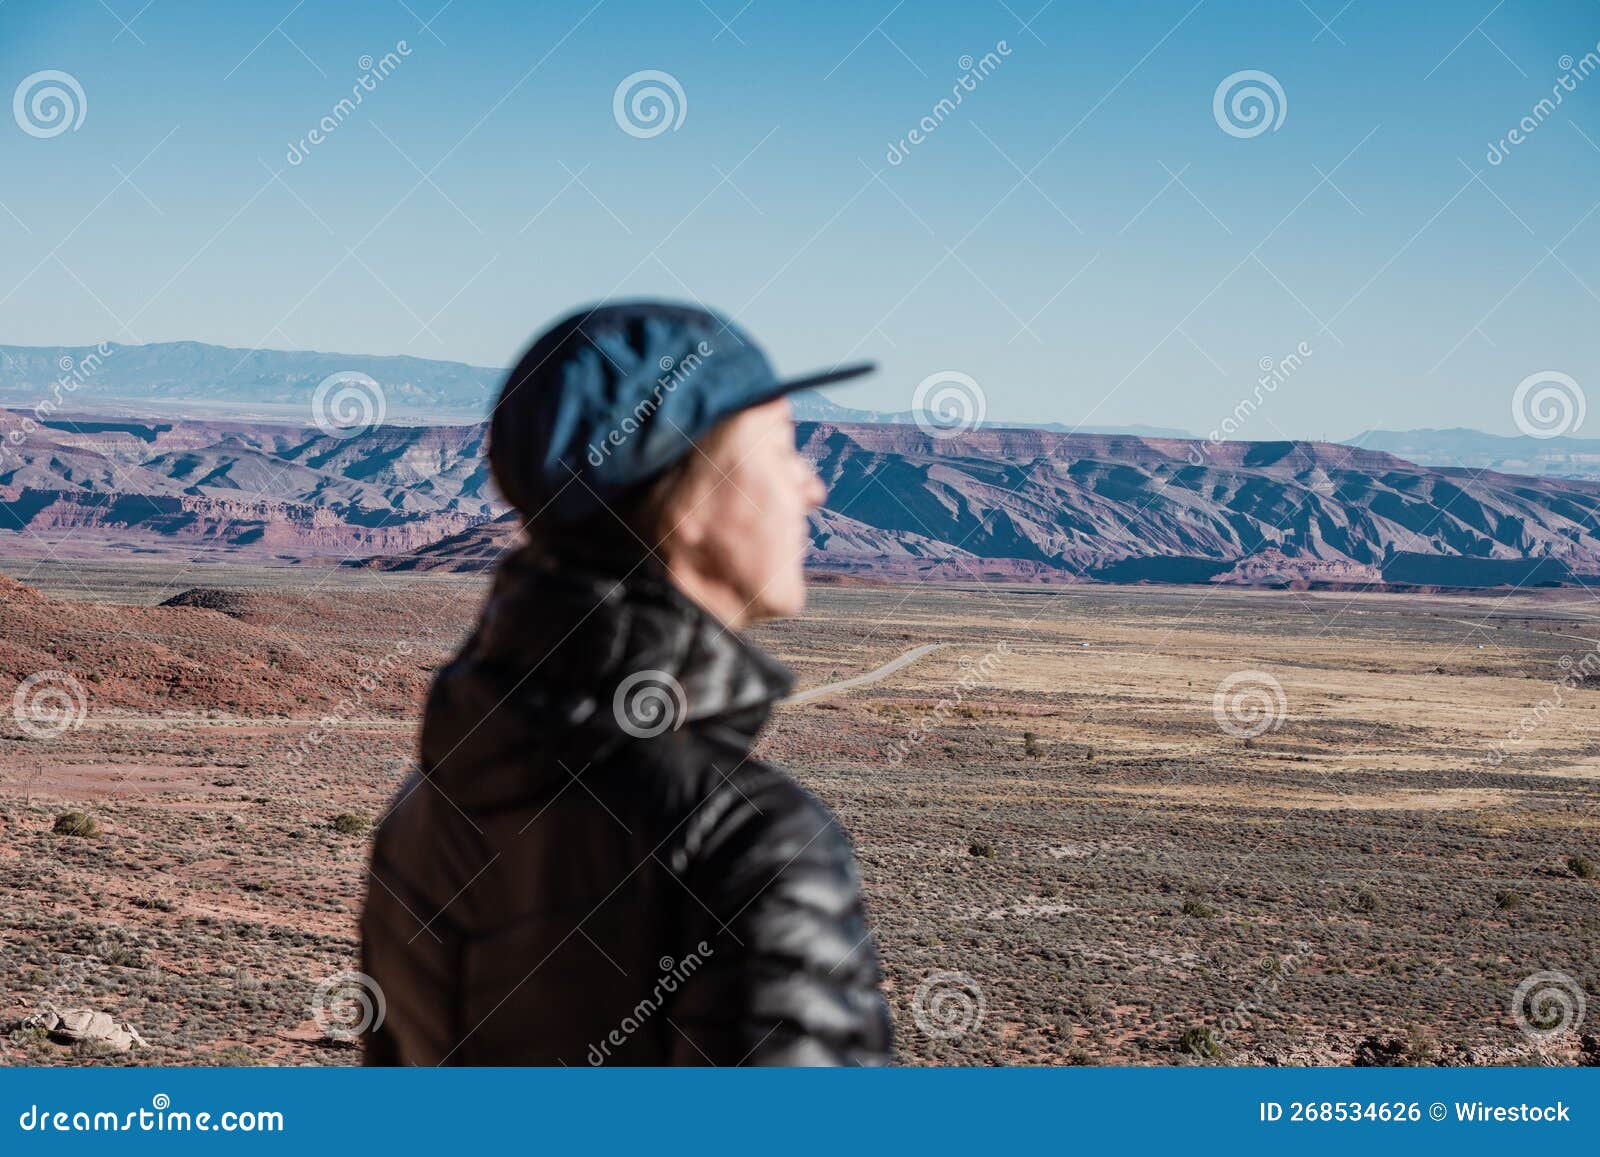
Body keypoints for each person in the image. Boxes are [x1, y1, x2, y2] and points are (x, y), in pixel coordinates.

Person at [361, 300, 894, 1065]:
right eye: (783, 449)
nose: (811, 488)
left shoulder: (425, 807)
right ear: (695, 496)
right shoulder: (744, 840)